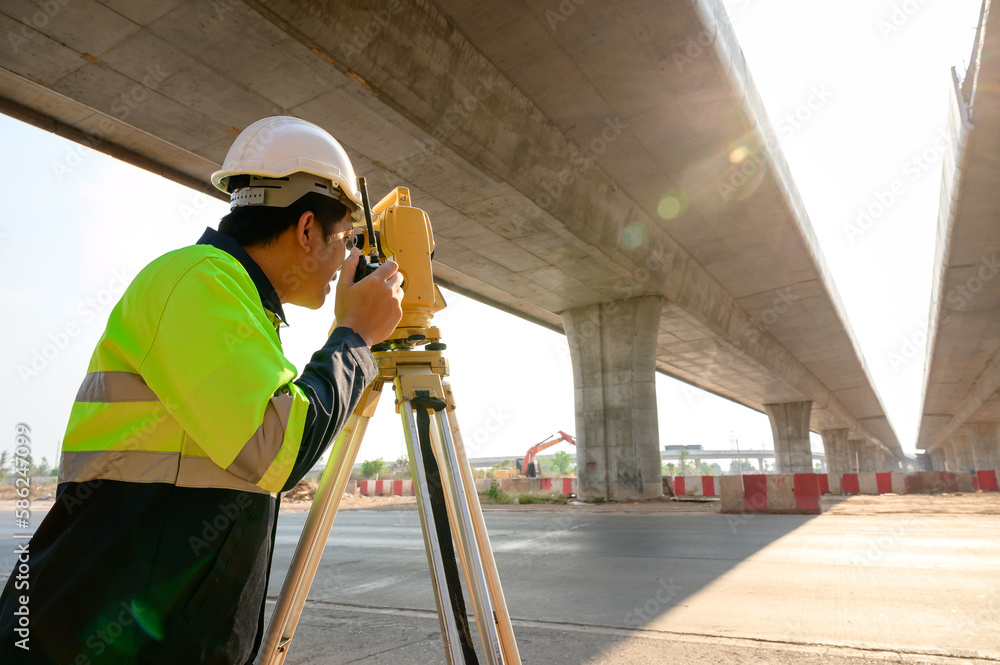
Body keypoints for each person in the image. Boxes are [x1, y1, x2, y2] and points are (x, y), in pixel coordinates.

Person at [0, 116, 404, 664]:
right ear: (307, 229)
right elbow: (276, 446)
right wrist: (355, 337)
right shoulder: (199, 279)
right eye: (342, 240)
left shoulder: (235, 305)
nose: (344, 261)